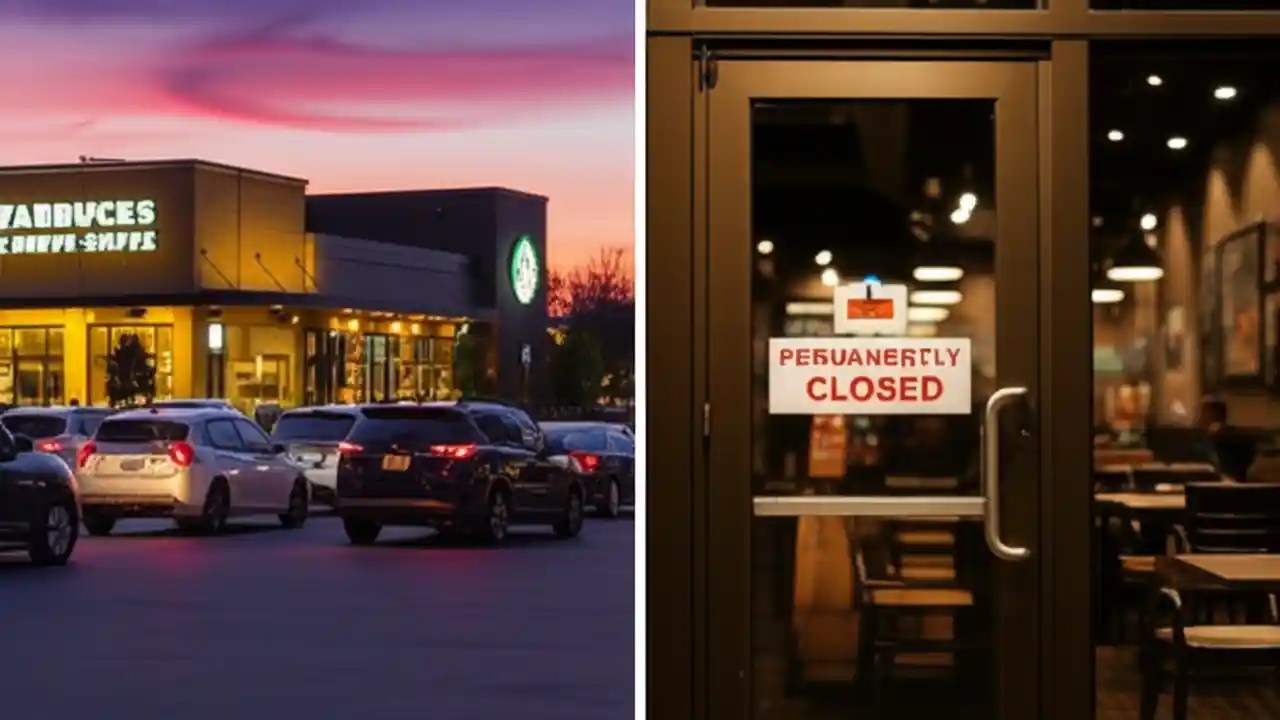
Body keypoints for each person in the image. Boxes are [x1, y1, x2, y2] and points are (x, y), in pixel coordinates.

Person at [1194, 396, 1256, 481]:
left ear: (1214, 414)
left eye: (1202, 412)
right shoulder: (1200, 438)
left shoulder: (1233, 439)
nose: (1198, 417)